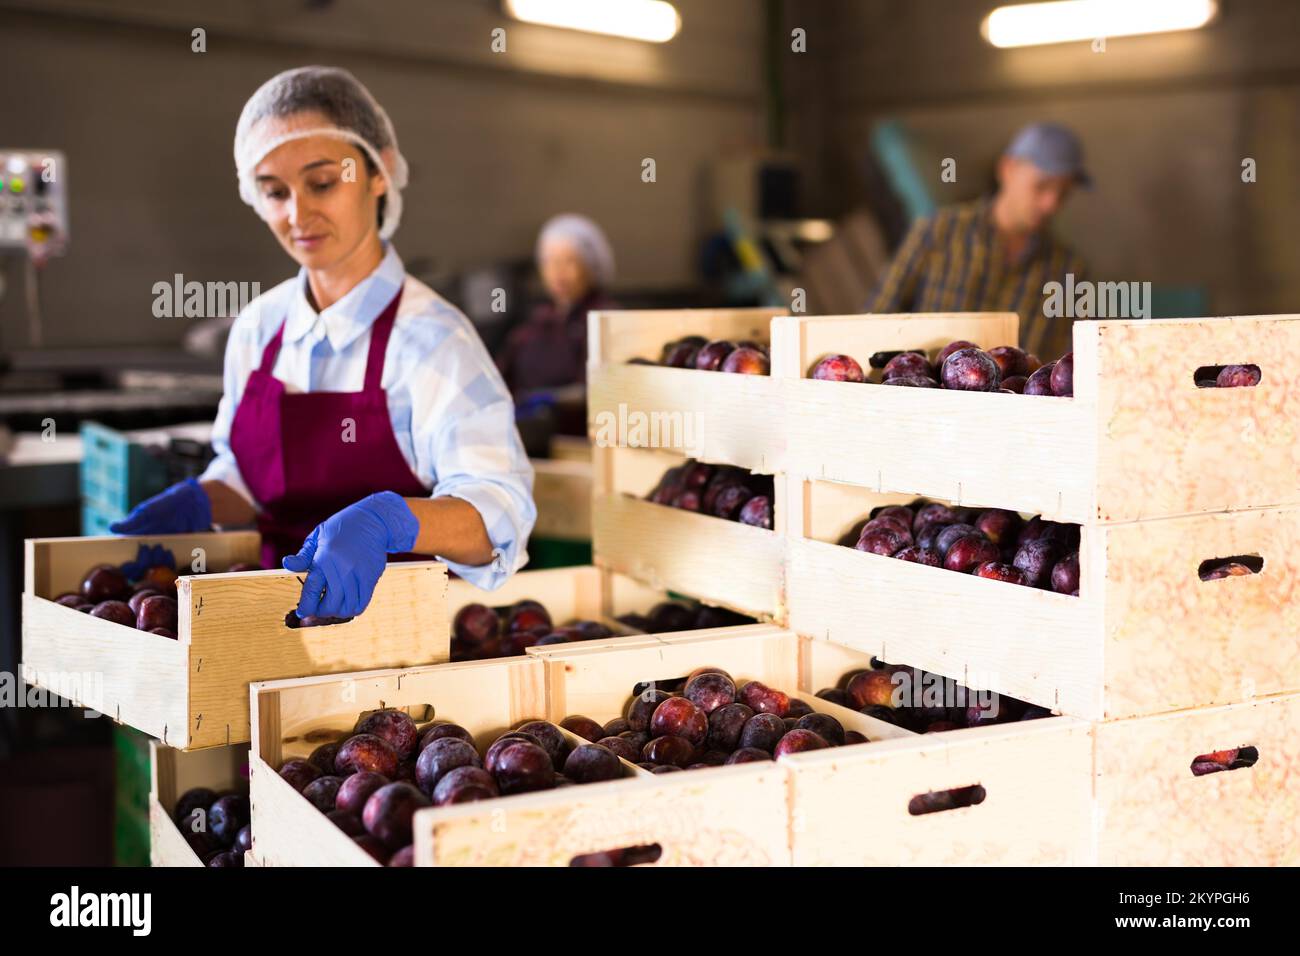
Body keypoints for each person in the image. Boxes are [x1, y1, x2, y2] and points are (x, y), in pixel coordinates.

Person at [111, 66, 535, 618]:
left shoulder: (432, 339)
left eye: (322, 182)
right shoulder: (258, 329)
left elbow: (500, 514)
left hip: (398, 653)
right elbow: (247, 474)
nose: (297, 213)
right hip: (264, 626)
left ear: (380, 173)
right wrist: (207, 498)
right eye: (273, 191)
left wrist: (393, 521)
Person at [868, 122, 1090, 361]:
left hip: (1013, 398)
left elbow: (1064, 365)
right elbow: (874, 320)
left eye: (1063, 193)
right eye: (1041, 186)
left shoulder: (1068, 271)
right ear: (1007, 169)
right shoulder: (940, 231)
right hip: (925, 393)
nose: (1051, 204)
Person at [496, 213, 618, 395]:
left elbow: (600, 392)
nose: (558, 272)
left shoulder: (606, 319)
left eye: (569, 261)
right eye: (549, 261)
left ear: (591, 267)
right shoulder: (535, 322)